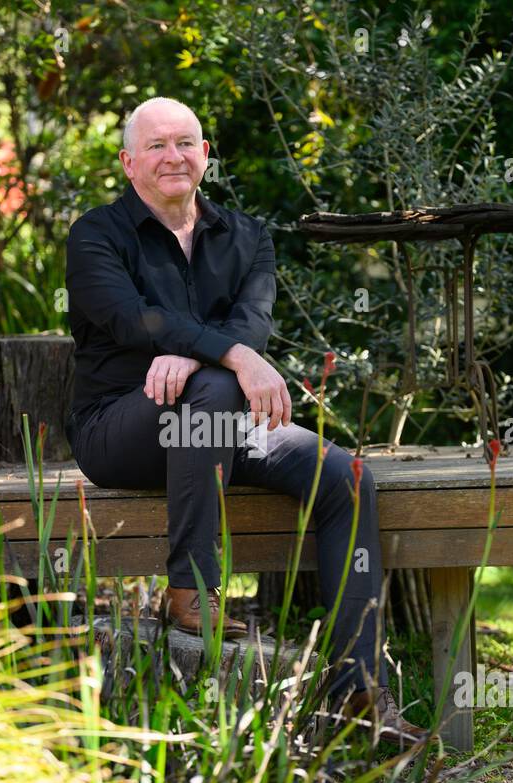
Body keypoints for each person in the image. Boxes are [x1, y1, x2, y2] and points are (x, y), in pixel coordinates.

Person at [64, 96, 424, 742]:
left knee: (344, 477)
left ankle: (358, 695)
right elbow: (129, 318)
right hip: (121, 427)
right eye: (156, 145)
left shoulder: (247, 236)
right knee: (215, 387)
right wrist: (227, 357)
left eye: (186, 142)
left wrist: (200, 355)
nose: (173, 155)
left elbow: (251, 323)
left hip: (220, 422)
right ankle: (191, 591)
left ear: (206, 154)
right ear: (127, 163)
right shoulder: (96, 236)